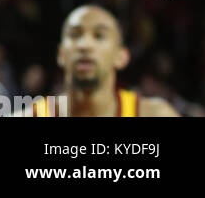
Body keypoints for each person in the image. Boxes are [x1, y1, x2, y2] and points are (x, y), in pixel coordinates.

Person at [23, 6, 179, 117]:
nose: (85, 45)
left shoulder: (155, 114)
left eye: (99, 36)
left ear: (121, 56)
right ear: (61, 54)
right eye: (75, 35)